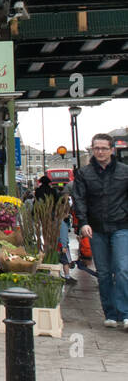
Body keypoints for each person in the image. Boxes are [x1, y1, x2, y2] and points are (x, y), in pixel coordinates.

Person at [71, 133, 128, 329]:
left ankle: (125, 313)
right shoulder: (84, 174)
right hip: (96, 228)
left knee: (122, 270)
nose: (100, 152)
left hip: (121, 225)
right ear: (92, 150)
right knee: (103, 273)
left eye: (104, 148)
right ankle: (110, 314)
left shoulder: (124, 171)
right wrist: (83, 222)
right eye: (96, 148)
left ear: (112, 150)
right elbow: (79, 199)